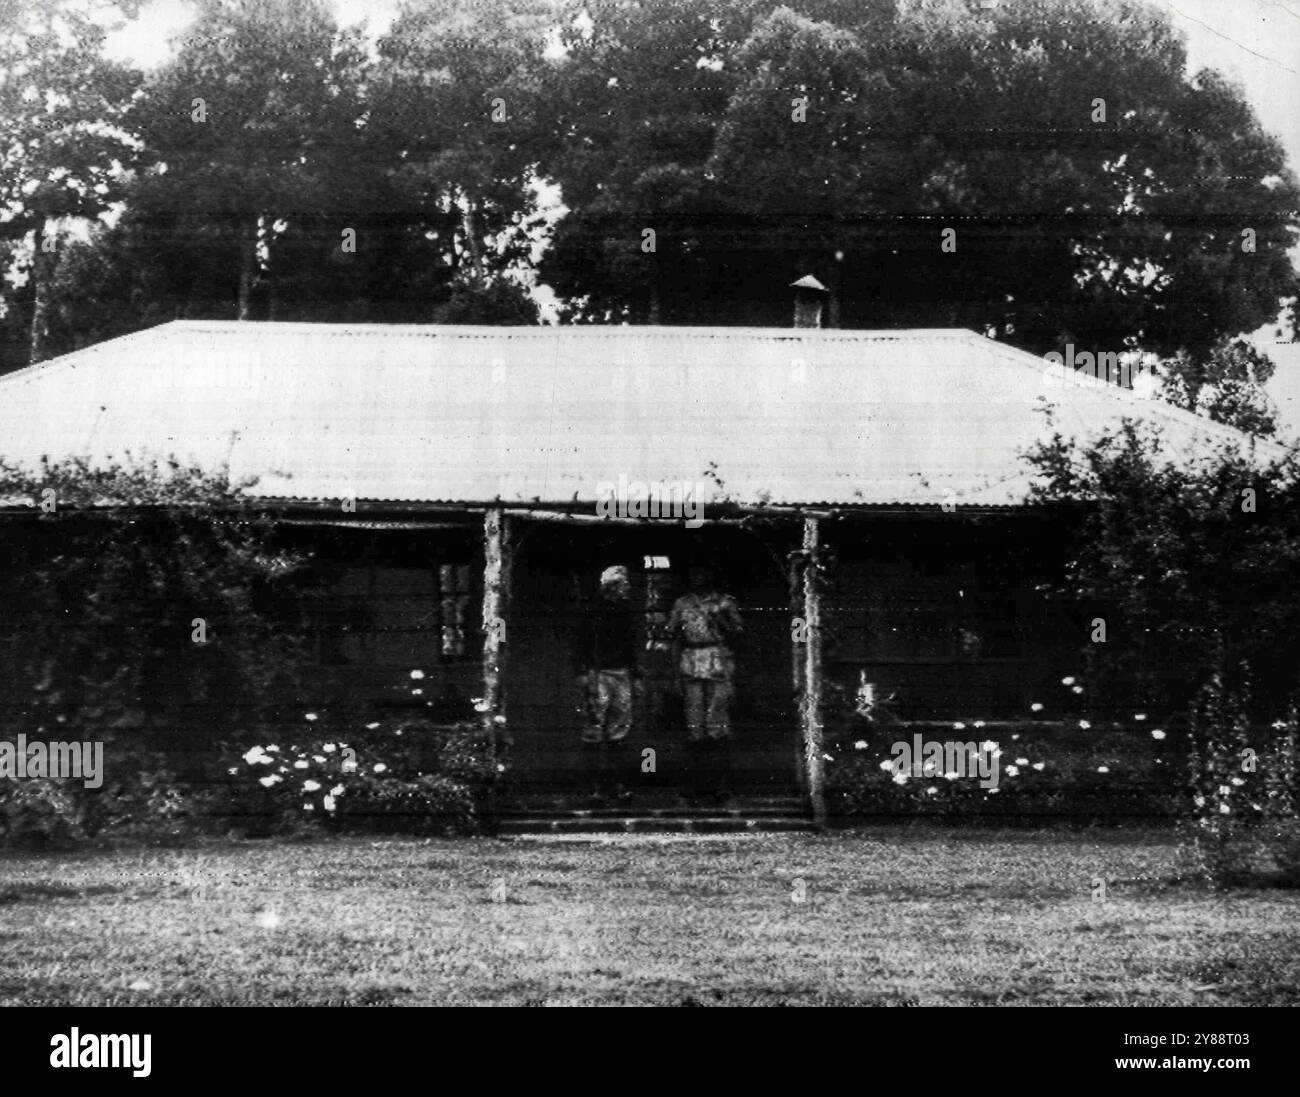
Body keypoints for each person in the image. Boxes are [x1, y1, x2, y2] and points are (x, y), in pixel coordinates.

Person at [667, 564, 743, 802]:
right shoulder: (682, 604)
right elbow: (674, 637)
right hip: (691, 662)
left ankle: (720, 784)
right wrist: (674, 672)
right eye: (694, 573)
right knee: (694, 724)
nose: (698, 577)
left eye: (703, 573)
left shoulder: (725, 602)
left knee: (717, 723)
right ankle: (695, 784)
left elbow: (739, 633)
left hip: (717, 661)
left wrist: (722, 619)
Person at [574, 564, 637, 803]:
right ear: (613, 585)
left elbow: (629, 645)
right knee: (594, 726)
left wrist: (635, 674)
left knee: (619, 728)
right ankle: (595, 785)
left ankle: (616, 783)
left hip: (620, 672)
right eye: (623, 584)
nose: (627, 588)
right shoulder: (592, 610)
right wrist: (582, 671)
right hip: (597, 672)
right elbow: (580, 642)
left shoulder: (624, 611)